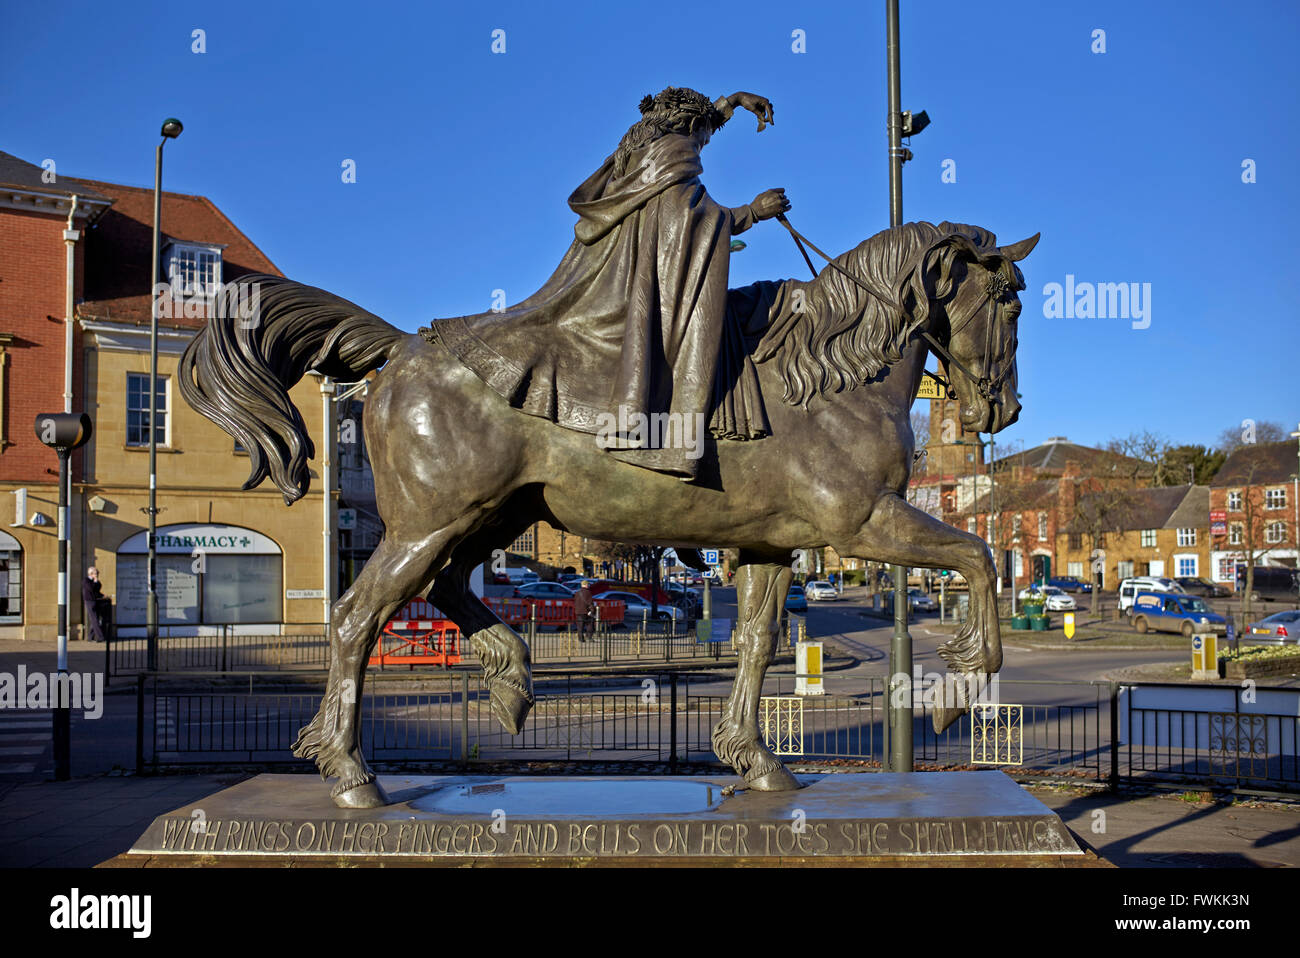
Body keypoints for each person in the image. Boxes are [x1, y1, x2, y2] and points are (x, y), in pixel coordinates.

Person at [427, 86, 791, 479]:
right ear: (688, 126)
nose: (702, 143)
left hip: (611, 283)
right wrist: (753, 211)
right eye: (702, 136)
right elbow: (688, 219)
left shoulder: (638, 150)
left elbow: (695, 141)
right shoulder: (674, 152)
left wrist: (733, 102)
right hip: (637, 291)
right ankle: (663, 439)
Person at [81, 566, 110, 643]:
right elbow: (91, 589)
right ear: (91, 574)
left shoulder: (95, 581)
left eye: (97, 573)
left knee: (95, 618)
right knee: (95, 619)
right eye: (95, 573)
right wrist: (95, 581)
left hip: (95, 601)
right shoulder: (86, 581)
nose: (97, 575)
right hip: (89, 601)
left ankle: (90, 637)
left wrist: (103, 595)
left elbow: (98, 589)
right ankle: (100, 637)